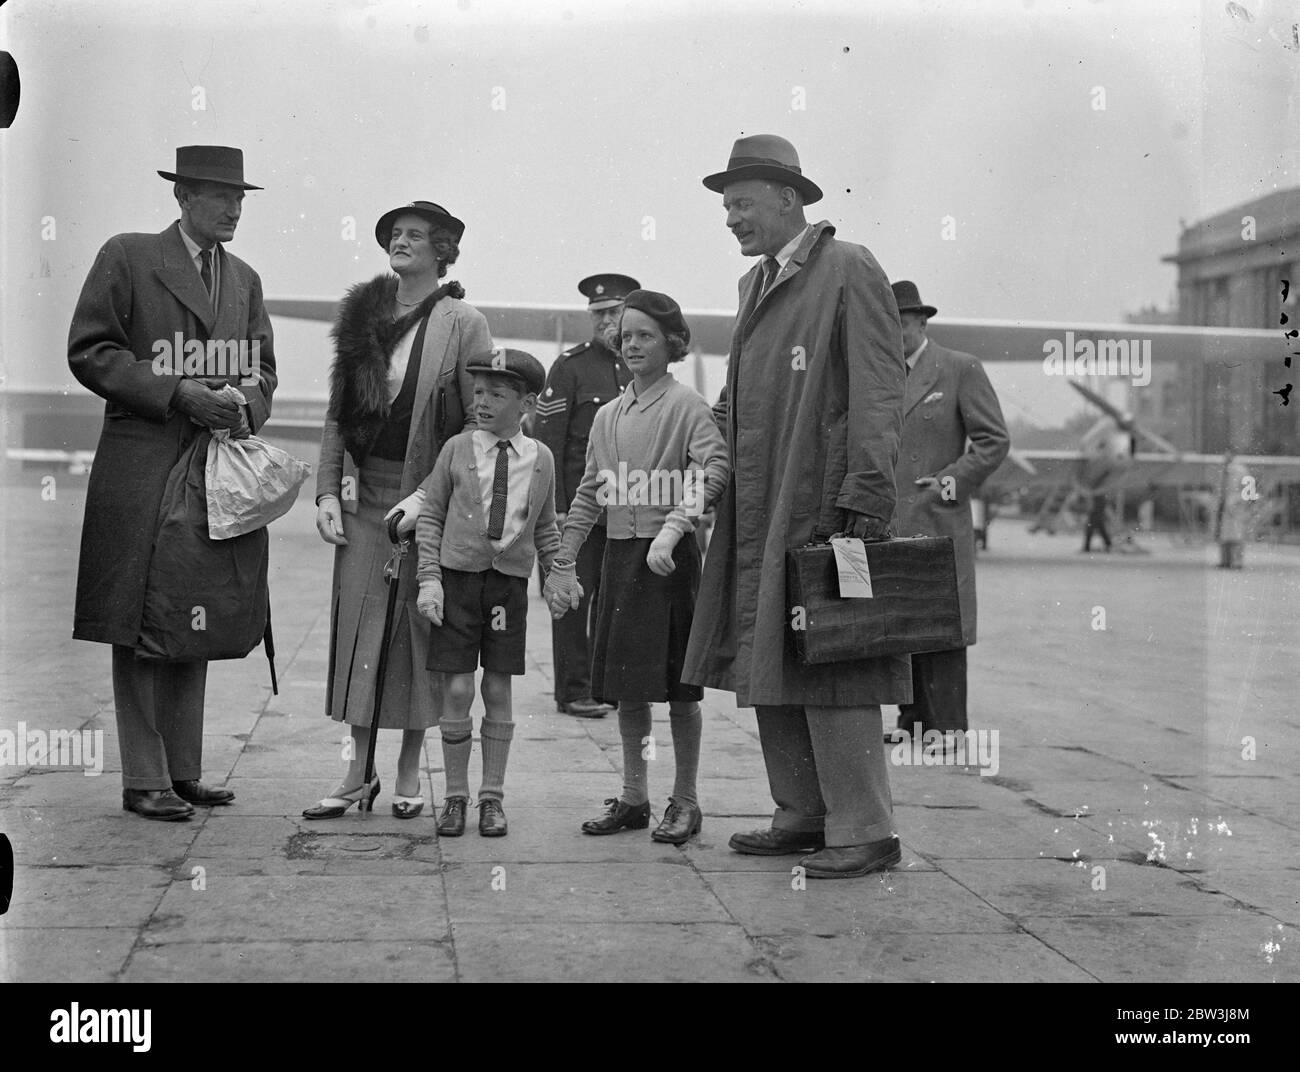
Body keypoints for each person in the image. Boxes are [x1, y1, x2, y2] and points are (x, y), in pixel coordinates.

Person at [682, 134, 910, 879]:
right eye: (725, 207)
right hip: (757, 506)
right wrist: (699, 461)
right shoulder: (757, 283)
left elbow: (879, 389)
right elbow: (733, 398)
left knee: (836, 662)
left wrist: (865, 495)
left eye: (742, 204)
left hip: (822, 504)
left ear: (788, 199)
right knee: (769, 655)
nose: (731, 219)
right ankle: (802, 814)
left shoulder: (847, 267)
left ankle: (865, 830)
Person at [68, 145, 277, 821]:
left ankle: (183, 772)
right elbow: (92, 350)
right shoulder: (128, 256)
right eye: (221, 196)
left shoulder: (243, 279)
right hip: (145, 464)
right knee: (139, 619)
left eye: (240, 197)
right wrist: (178, 390)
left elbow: (264, 370)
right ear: (183, 197)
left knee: (197, 610)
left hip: (213, 469)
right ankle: (143, 778)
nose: (234, 208)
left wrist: (243, 404)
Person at [305, 200, 491, 820]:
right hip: (364, 499)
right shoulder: (364, 312)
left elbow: (476, 424)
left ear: (443, 249)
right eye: (395, 235)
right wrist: (328, 489)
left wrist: (431, 497)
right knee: (360, 629)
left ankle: (411, 767)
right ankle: (358, 770)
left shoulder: (463, 322)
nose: (401, 242)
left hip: (424, 500)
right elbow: (339, 412)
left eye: (416, 235)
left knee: (415, 631)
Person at [545, 291, 729, 843]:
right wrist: (563, 560)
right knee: (627, 688)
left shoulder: (687, 405)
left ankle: (687, 801)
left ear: (672, 344)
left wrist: (674, 529)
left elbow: (713, 468)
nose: (632, 345)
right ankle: (633, 798)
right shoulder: (607, 415)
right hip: (622, 560)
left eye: (645, 335)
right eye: (626, 336)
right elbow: (588, 493)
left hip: (668, 565)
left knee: (679, 689)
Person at [415, 349, 560, 838]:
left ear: (527, 404)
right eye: (478, 392)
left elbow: (547, 528)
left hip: (506, 588)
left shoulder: (541, 460)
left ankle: (491, 799)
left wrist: (559, 575)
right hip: (457, 582)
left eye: (497, 394)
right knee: (457, 687)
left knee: (497, 687)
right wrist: (429, 579)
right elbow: (431, 515)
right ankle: (454, 797)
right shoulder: (456, 449)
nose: (482, 402)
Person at [888, 281, 1009, 741]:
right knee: (900, 622)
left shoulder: (959, 368)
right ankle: (912, 722)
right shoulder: (878, 372)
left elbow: (993, 439)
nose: (894, 330)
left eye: (901, 321)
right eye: (887, 321)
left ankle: (949, 729)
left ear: (921, 322)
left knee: (944, 626)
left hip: (936, 516)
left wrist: (949, 482)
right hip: (892, 519)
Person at [534, 273, 638, 717]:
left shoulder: (641, 367)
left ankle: (606, 685)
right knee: (574, 599)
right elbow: (549, 442)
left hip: (630, 509)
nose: (607, 321)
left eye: (615, 313)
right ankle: (573, 690)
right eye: (600, 314)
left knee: (617, 603)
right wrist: (556, 507)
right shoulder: (570, 367)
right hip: (581, 508)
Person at [1216, 453, 1251, 568]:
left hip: (1237, 507)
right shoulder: (1224, 470)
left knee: (1236, 536)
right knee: (1225, 536)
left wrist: (1238, 501)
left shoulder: (1240, 470)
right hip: (1226, 506)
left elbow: (1248, 490)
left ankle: (1236, 562)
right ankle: (1225, 561)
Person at [1081, 487, 1113, 552]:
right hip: (1097, 515)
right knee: (1101, 530)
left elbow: (1091, 506)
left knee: (1091, 530)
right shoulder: (1100, 497)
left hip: (1095, 515)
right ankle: (1108, 545)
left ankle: (1087, 547)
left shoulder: (1097, 497)